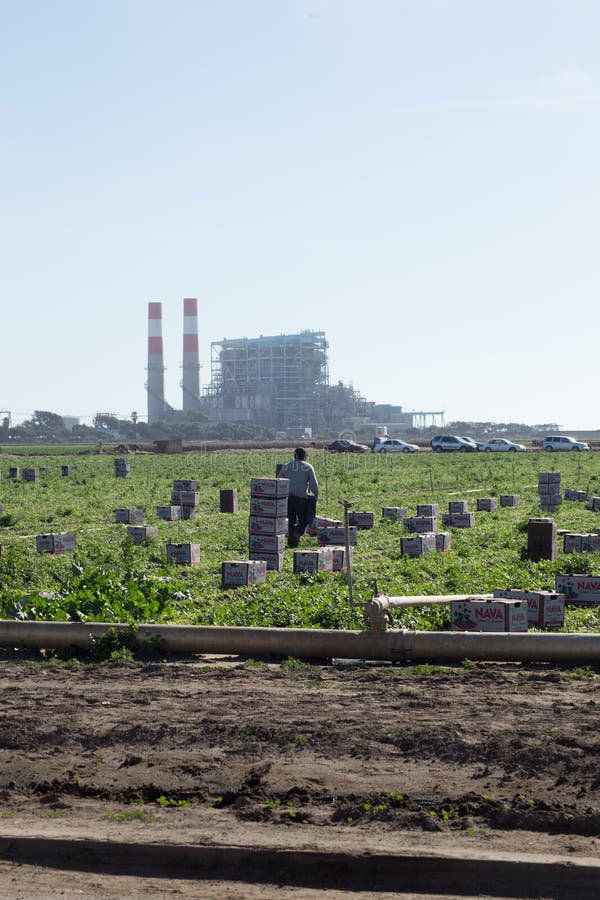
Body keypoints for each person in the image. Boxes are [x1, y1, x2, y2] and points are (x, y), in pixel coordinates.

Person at [279, 447, 319, 548]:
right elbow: (314, 484)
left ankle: (292, 541)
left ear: (294, 456)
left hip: (289, 498)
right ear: (304, 456)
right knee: (304, 519)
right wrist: (315, 495)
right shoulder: (308, 467)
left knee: (291, 520)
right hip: (302, 499)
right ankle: (296, 535)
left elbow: (279, 480)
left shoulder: (286, 466)